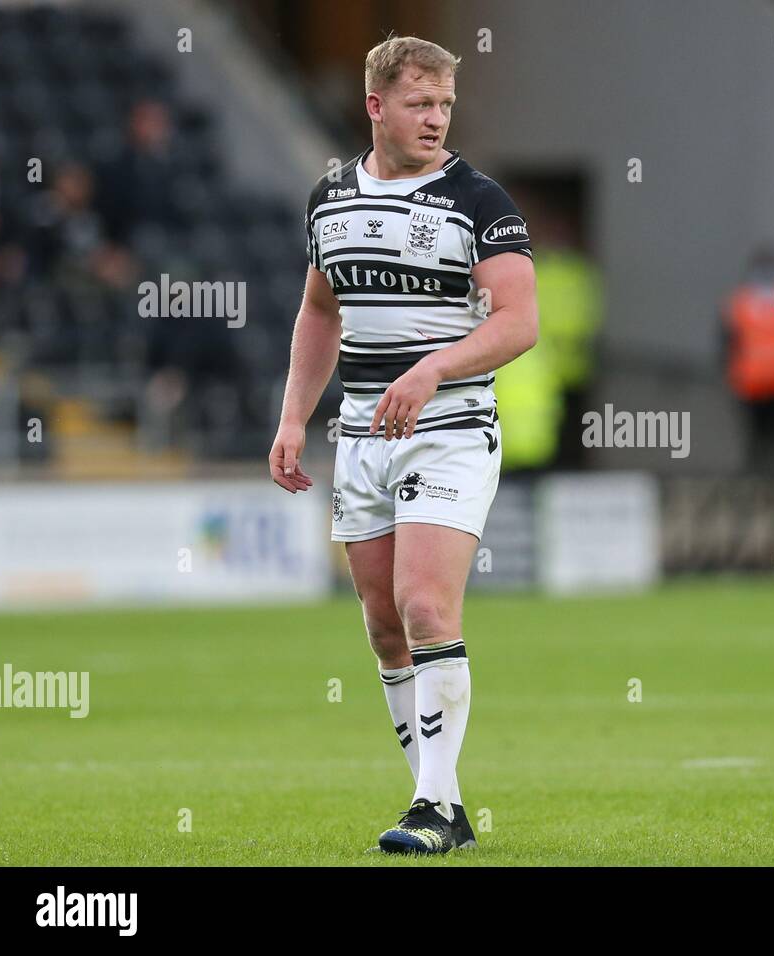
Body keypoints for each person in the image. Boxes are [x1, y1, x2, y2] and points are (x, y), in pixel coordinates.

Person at [267, 36, 538, 855]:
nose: (436, 119)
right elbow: (320, 311)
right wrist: (291, 418)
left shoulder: (480, 201)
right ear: (376, 106)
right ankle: (444, 805)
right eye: (420, 103)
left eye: (446, 105)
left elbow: (520, 322)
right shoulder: (331, 199)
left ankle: (429, 806)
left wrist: (433, 371)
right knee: (385, 624)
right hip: (360, 436)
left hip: (450, 432)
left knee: (426, 607)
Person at [721, 246, 774, 473]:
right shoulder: (743, 300)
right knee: (759, 437)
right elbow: (730, 338)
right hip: (754, 380)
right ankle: (760, 476)